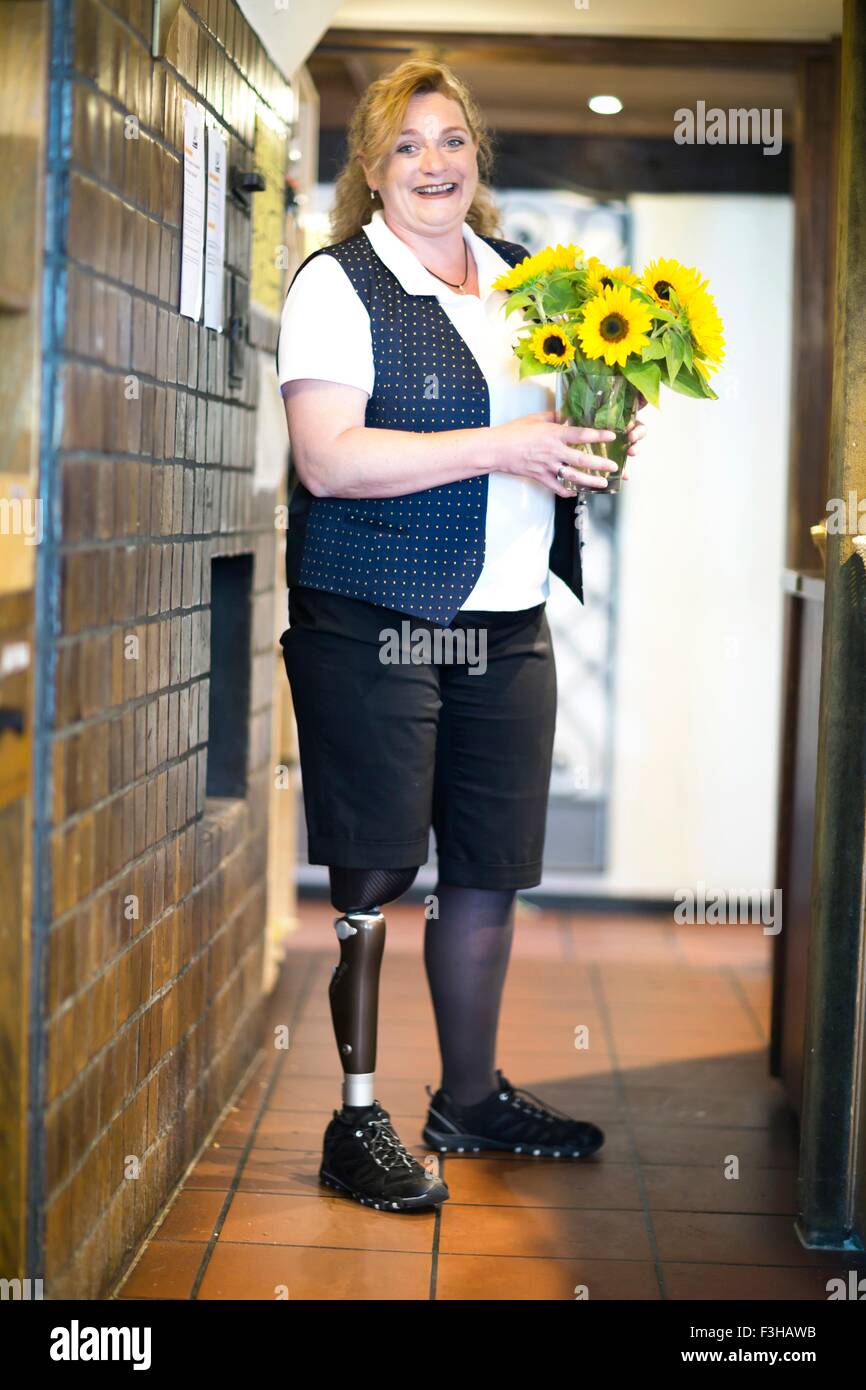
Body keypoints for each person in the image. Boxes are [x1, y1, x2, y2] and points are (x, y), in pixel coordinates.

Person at [276, 58, 647, 1213]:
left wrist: (592, 440)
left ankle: (468, 1098)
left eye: (451, 141)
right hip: (375, 619)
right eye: (405, 146)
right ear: (373, 172)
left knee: (485, 873)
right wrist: (504, 444)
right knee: (376, 870)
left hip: (506, 620)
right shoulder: (339, 284)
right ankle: (354, 1121)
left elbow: (557, 436)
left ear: (475, 157)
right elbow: (328, 459)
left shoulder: (532, 278)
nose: (432, 163)